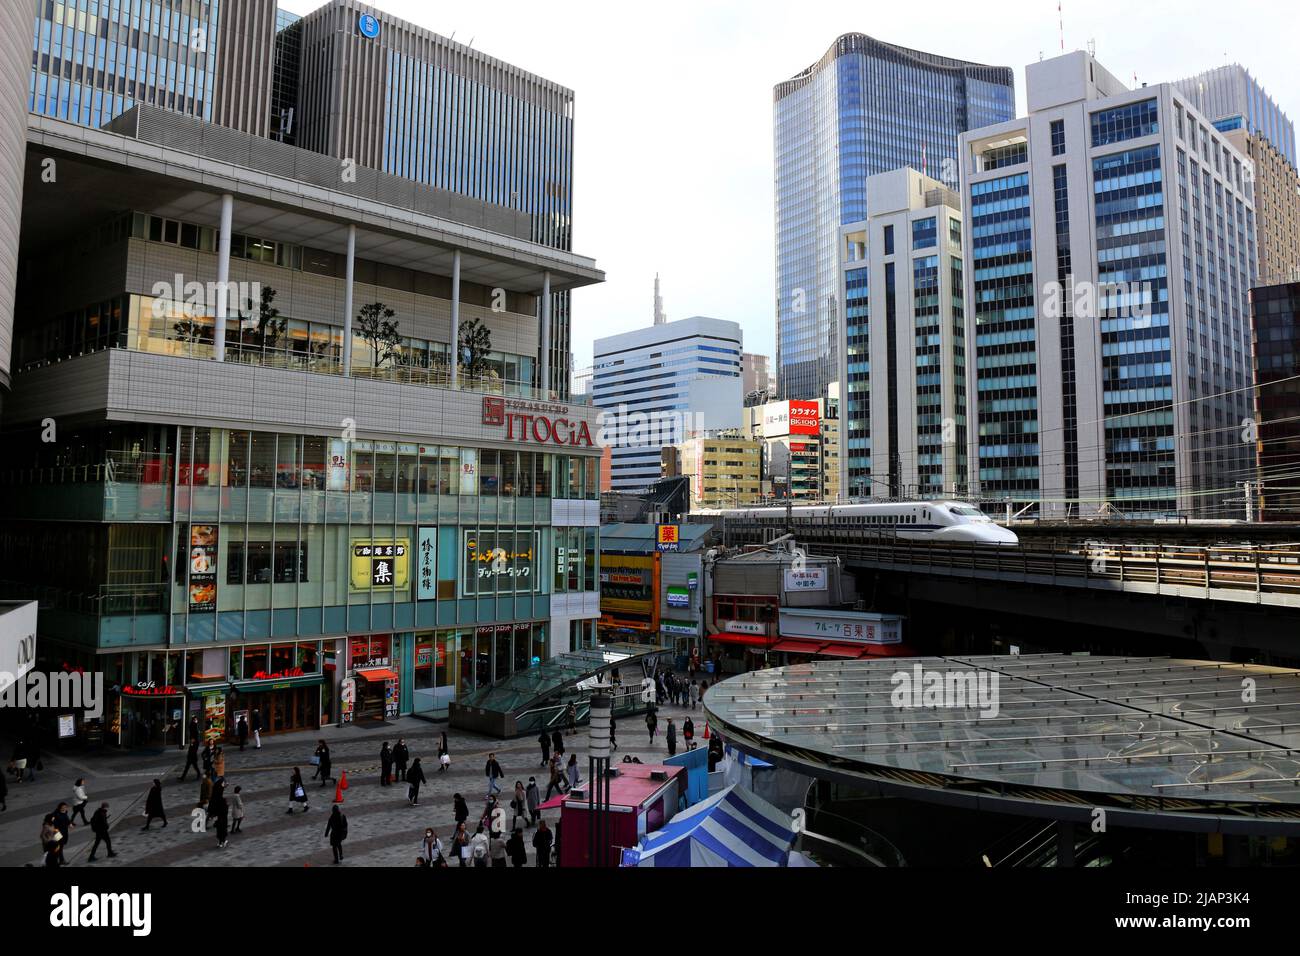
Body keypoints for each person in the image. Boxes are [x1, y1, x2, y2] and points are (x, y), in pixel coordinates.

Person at [210, 779, 229, 848]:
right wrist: (227, 806)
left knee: (219, 830)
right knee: (223, 830)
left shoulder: (215, 798)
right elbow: (225, 810)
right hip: (223, 819)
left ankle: (220, 842)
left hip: (218, 818)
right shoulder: (222, 802)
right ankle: (223, 842)